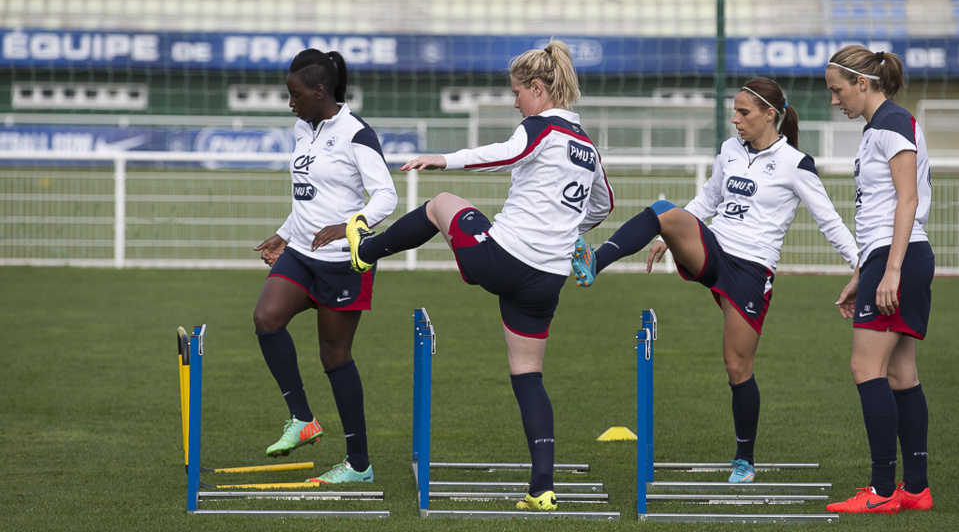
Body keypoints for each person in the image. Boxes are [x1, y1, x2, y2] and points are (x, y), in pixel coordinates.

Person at [341, 39, 613, 511]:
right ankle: (542, 488)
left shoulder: (541, 128)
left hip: (503, 260)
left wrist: (442, 158)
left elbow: (505, 154)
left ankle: (366, 249)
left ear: (537, 88)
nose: (514, 102)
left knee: (441, 203)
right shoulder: (587, 145)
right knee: (529, 376)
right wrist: (567, 230)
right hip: (547, 280)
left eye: (517, 93)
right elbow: (603, 204)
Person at [571, 77, 859, 484]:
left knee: (737, 366)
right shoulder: (729, 151)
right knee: (664, 210)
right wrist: (667, 237)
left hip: (751, 269)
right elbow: (707, 199)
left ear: (769, 115)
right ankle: (596, 261)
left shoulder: (796, 164)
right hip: (714, 247)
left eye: (744, 112)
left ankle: (744, 460)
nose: (735, 119)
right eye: (735, 111)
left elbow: (829, 220)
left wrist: (860, 264)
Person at [251, 48, 398, 484]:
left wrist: (349, 225)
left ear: (320, 91)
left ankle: (359, 464)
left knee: (335, 357)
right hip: (301, 251)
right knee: (266, 317)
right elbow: (308, 195)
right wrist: (284, 231)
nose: (290, 103)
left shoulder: (357, 134)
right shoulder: (302, 127)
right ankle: (302, 419)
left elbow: (386, 197)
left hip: (343, 261)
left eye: (296, 95)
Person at [824, 47, 934, 514]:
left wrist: (889, 269)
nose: (834, 101)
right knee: (899, 373)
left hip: (900, 258)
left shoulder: (891, 124)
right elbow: (878, 210)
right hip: (889, 257)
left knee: (865, 369)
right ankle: (915, 489)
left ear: (862, 84)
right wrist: (861, 274)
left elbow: (906, 201)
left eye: (837, 90)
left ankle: (882, 491)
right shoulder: (879, 129)